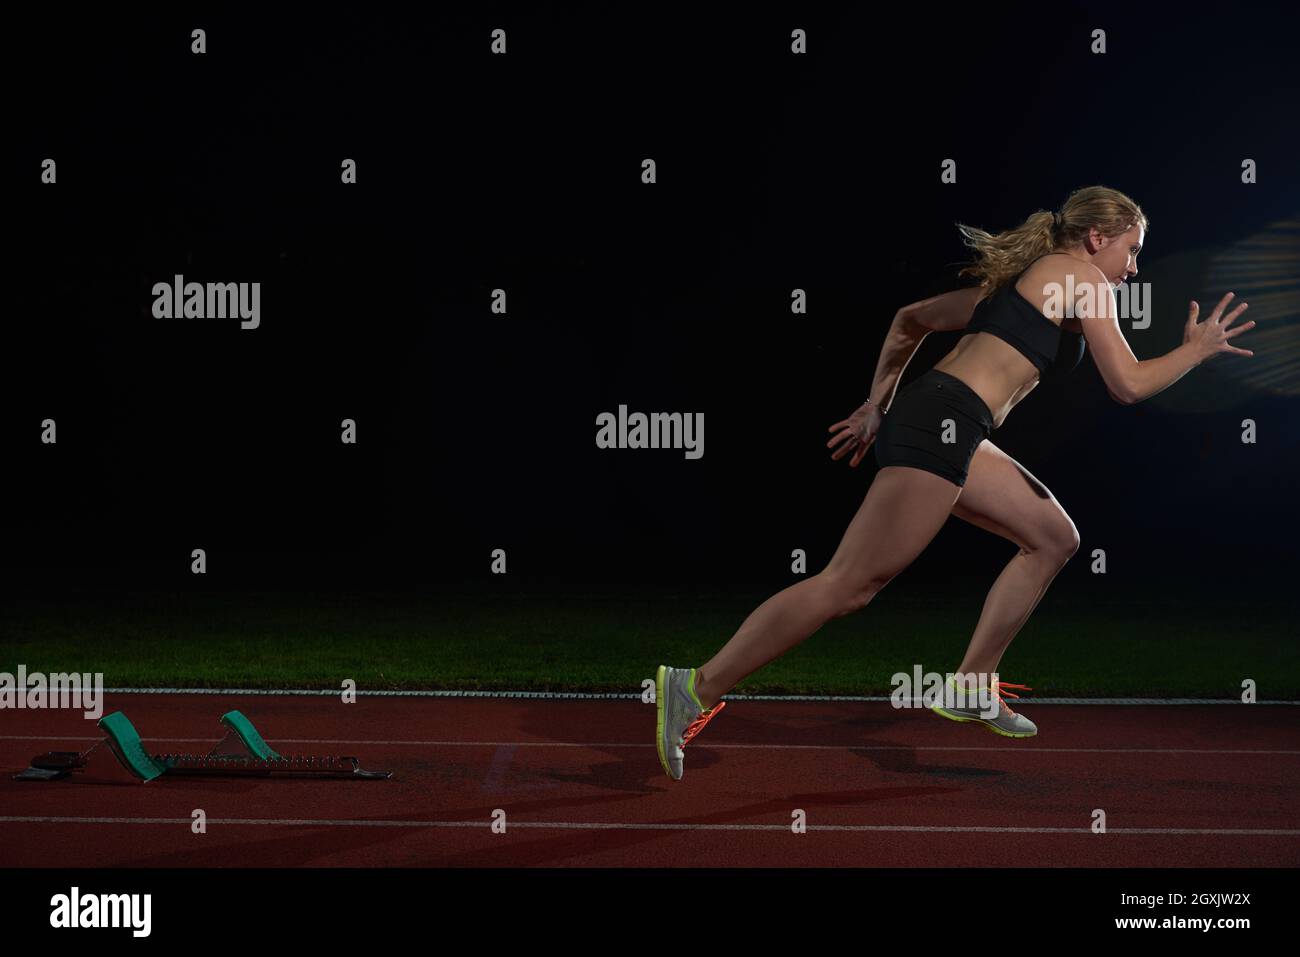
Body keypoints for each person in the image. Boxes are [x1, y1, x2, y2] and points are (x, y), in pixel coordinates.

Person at [655, 184, 1255, 781]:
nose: (1133, 266)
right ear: (1097, 238)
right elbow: (1126, 384)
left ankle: (971, 683)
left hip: (947, 422)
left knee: (1053, 538)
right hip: (944, 421)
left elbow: (909, 320)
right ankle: (696, 686)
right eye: (1131, 249)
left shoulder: (1026, 284)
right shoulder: (1083, 279)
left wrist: (874, 408)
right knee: (849, 586)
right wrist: (1195, 352)